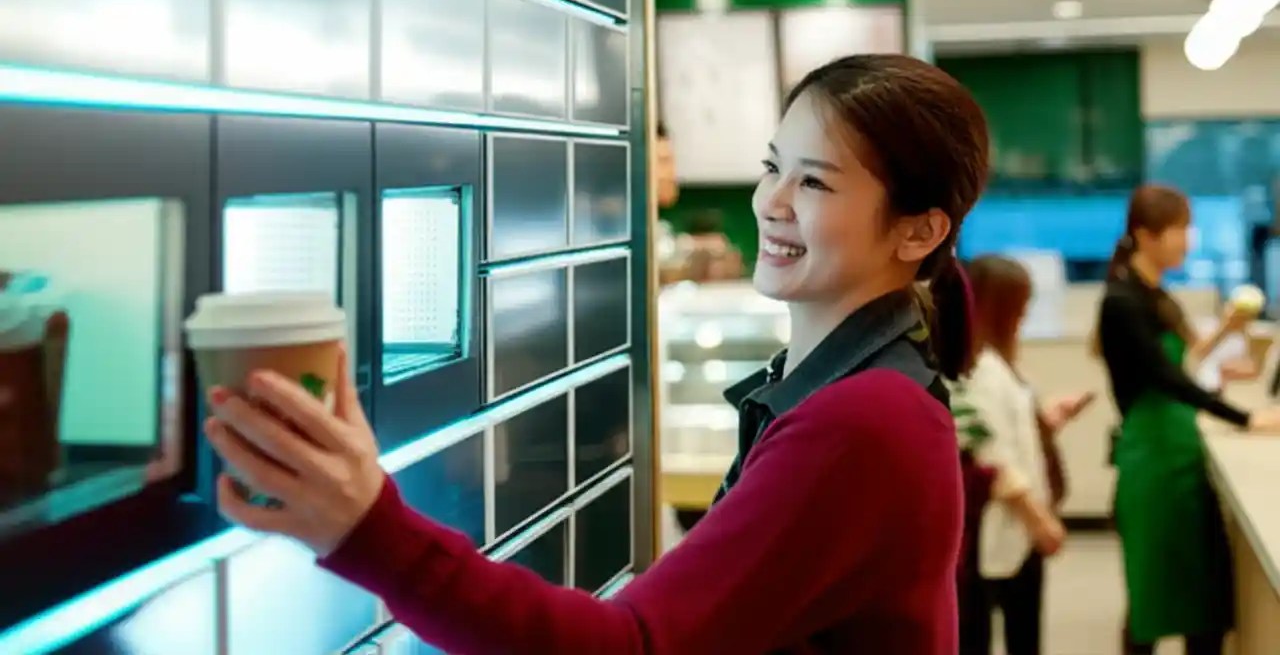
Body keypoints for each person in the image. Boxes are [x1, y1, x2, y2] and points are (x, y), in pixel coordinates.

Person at [203, 54, 990, 654]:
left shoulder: (865, 421)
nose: (771, 203)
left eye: (814, 183)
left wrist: (365, 530)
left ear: (918, 230)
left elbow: (633, 647)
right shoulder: (857, 392)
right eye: (772, 166)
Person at [1096, 184, 1280, 655]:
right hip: (1153, 459)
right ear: (1145, 233)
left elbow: (1180, 371)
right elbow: (1163, 377)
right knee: (1153, 595)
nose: (1188, 239)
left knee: (1203, 598)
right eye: (1179, 228)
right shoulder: (1122, 301)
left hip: (1179, 448)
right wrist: (1245, 417)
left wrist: (1224, 361)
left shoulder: (1158, 295)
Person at [957, 255, 1094, 655]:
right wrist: (1039, 520)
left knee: (1024, 633)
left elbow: (1008, 432)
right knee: (987, 634)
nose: (1026, 314)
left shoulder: (1000, 363)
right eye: (1021, 304)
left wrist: (1048, 420)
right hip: (1002, 524)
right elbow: (990, 453)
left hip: (1018, 531)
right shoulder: (978, 369)